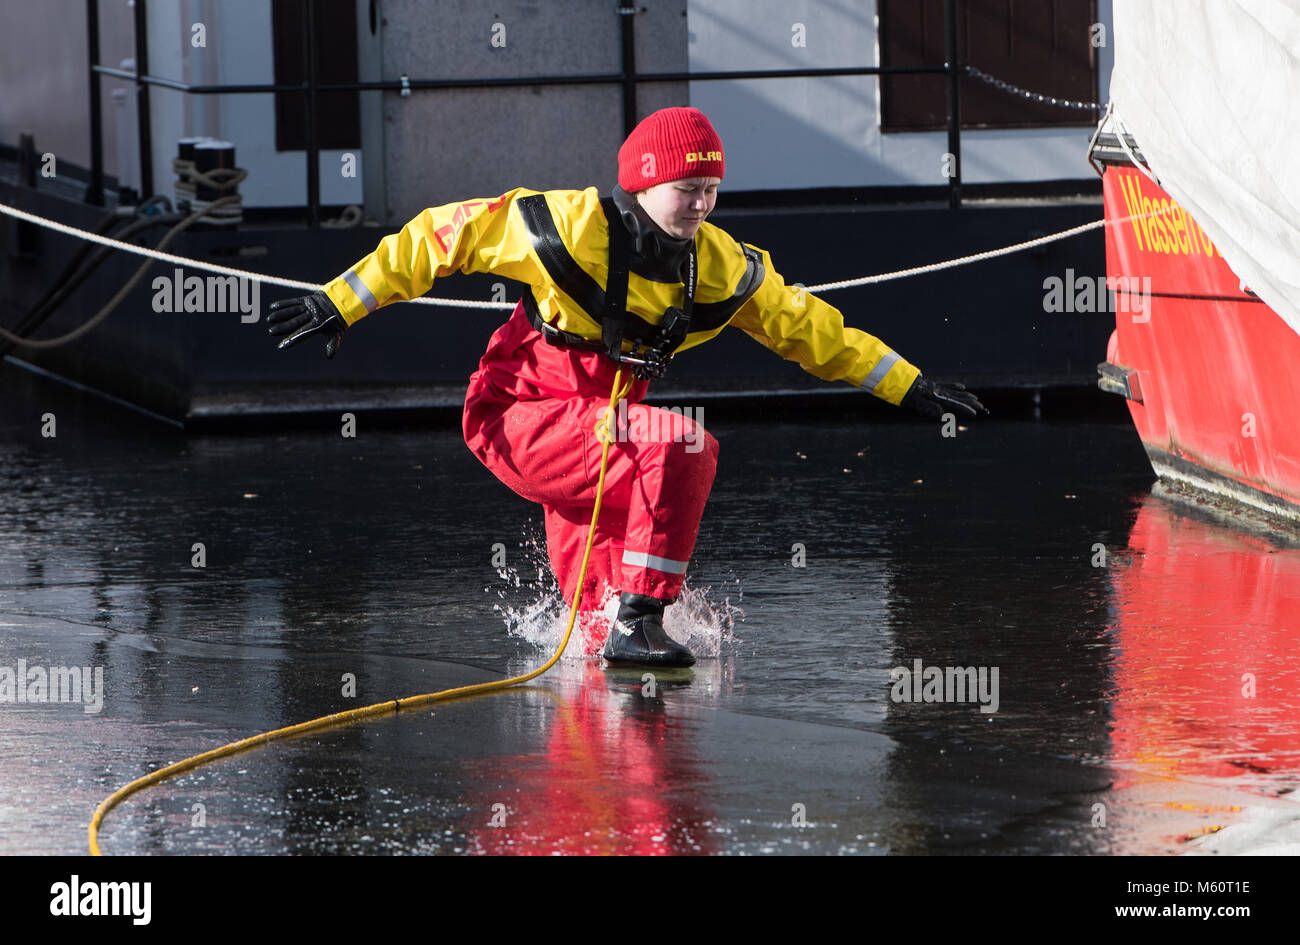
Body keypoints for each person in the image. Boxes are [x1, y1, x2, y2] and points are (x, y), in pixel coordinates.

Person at [267, 107, 986, 669]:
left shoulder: (723, 268)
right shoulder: (566, 227)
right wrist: (342, 301)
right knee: (684, 445)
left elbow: (812, 329)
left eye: (711, 190)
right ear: (641, 183)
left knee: (591, 628)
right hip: (521, 415)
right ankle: (642, 619)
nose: (703, 204)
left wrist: (909, 385)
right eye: (688, 189)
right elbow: (439, 237)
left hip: (606, 438)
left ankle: (617, 675)